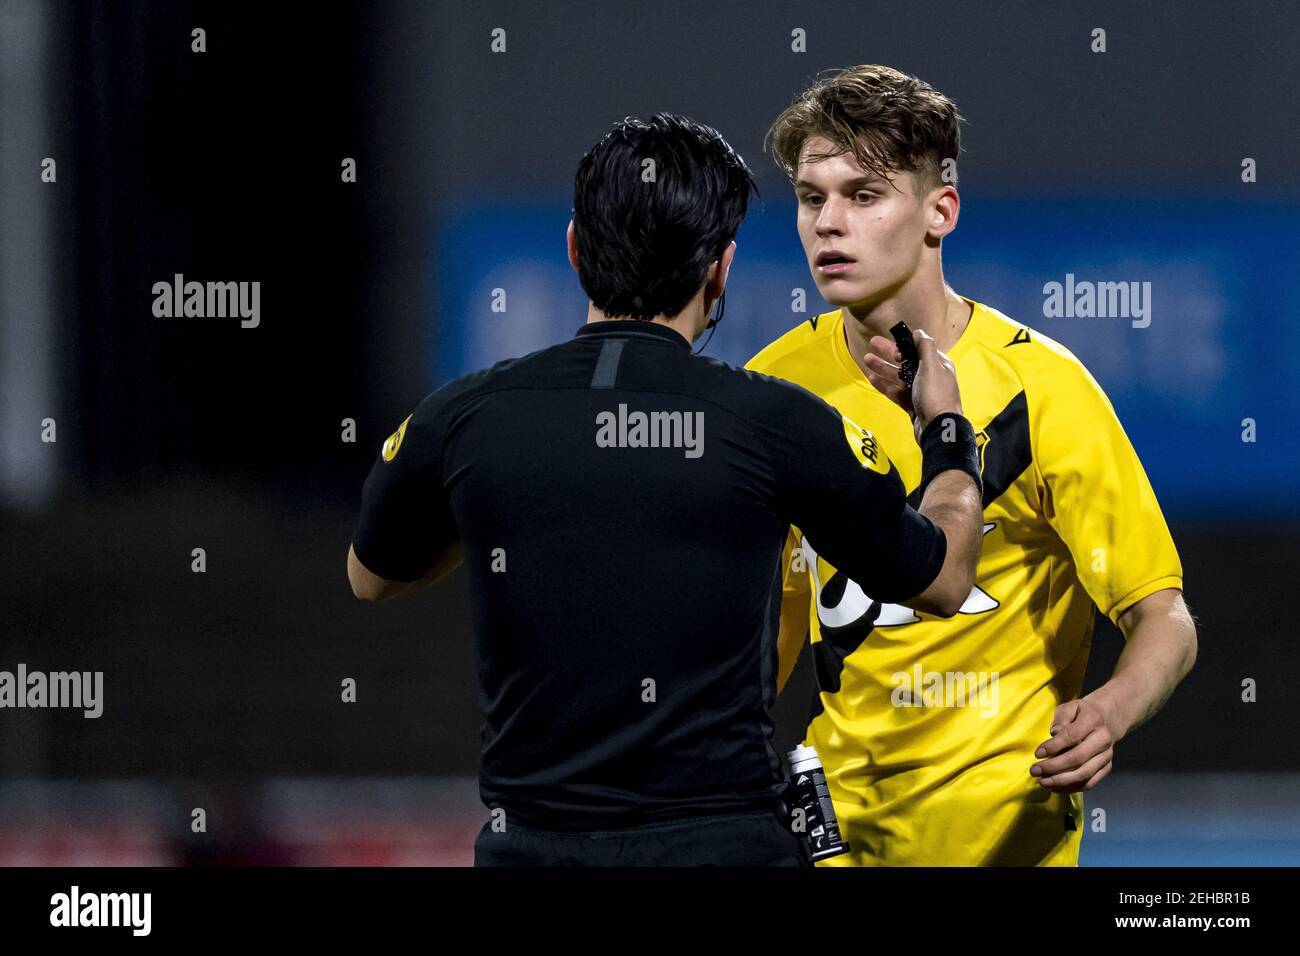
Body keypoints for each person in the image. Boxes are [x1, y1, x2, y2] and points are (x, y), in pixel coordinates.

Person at [347, 112, 984, 866]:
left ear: (577, 249)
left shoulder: (462, 420)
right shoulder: (777, 425)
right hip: (722, 850)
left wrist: (516, 503)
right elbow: (944, 578)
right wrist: (945, 428)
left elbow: (370, 578)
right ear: (719, 267)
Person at [746, 65, 1198, 866]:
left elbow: (1161, 616)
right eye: (813, 198)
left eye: (864, 194)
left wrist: (1111, 710)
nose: (829, 224)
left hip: (1006, 841)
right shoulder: (776, 387)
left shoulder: (1046, 389)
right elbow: (766, 630)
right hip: (837, 837)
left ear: (939, 211)